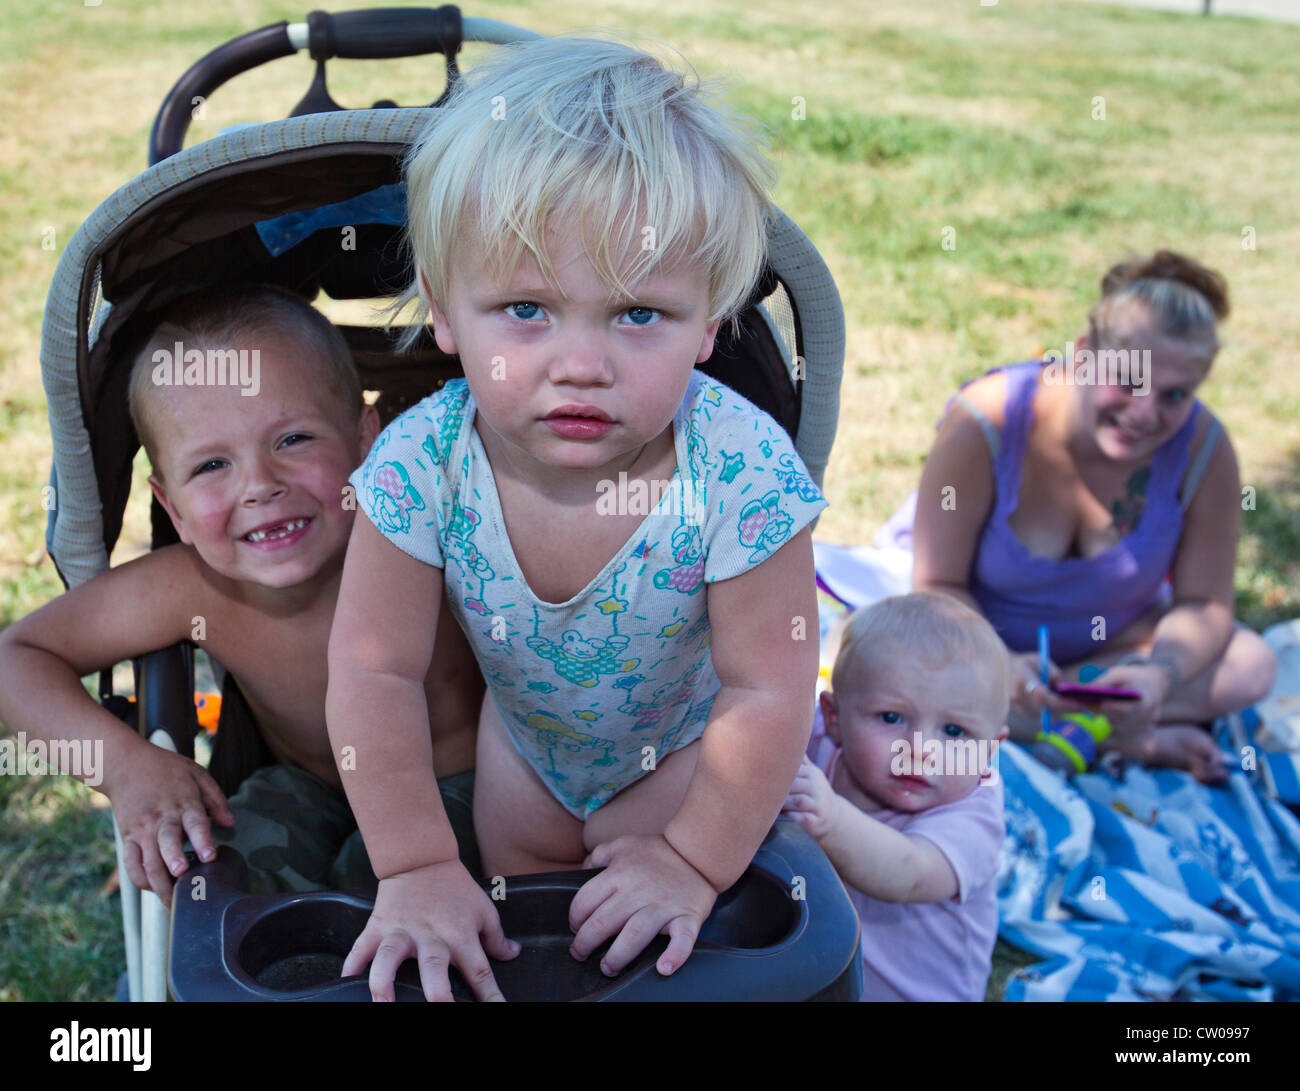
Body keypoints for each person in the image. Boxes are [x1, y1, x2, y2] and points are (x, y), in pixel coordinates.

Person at [326, 36, 826, 1003]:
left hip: (691, 770)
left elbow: (768, 688)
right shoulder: (420, 465)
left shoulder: (740, 471)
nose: (582, 362)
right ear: (443, 311)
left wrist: (692, 858)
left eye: (638, 315)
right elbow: (371, 668)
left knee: (666, 978)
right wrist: (417, 863)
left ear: (711, 323)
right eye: (525, 308)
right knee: (533, 964)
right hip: (524, 759)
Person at [0, 285, 483, 902]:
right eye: (211, 466)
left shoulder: (426, 534)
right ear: (171, 506)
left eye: (293, 440)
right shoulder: (190, 587)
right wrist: (123, 767)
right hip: (307, 787)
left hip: (452, 787)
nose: (260, 486)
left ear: (369, 437)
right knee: (215, 887)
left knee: (376, 905)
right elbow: (19, 657)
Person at [912, 252, 1276, 783]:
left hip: (1114, 656)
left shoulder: (1205, 449)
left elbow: (1205, 604)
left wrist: (1158, 674)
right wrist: (995, 661)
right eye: (1129, 380)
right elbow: (935, 585)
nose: (1145, 413)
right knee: (890, 663)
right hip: (980, 652)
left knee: (1252, 664)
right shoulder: (986, 419)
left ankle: (1068, 726)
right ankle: (1119, 734)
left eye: (1176, 395)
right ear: (1082, 355)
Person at [782, 592, 1009, 1001]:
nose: (920, 749)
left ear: (989, 751)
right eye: (891, 717)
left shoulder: (974, 815)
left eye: (954, 732)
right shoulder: (818, 741)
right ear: (834, 718)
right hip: (819, 977)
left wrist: (832, 818)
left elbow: (910, 872)